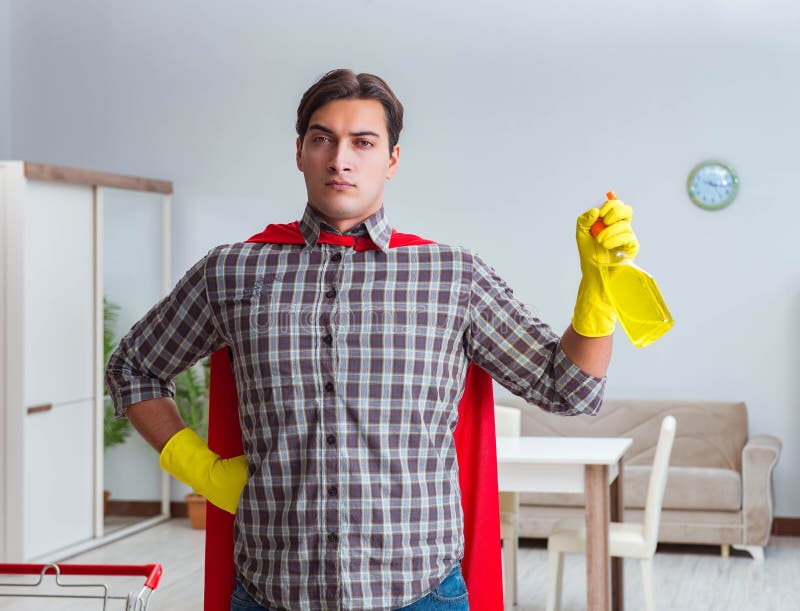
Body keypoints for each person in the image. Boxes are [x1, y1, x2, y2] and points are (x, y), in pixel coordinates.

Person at [105, 68, 639, 611]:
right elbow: (132, 368)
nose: (341, 159)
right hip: (272, 590)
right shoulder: (234, 271)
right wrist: (202, 470)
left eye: (363, 142)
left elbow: (570, 389)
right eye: (323, 139)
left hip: (421, 592)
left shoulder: (453, 276)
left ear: (392, 160)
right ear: (299, 152)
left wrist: (596, 292)